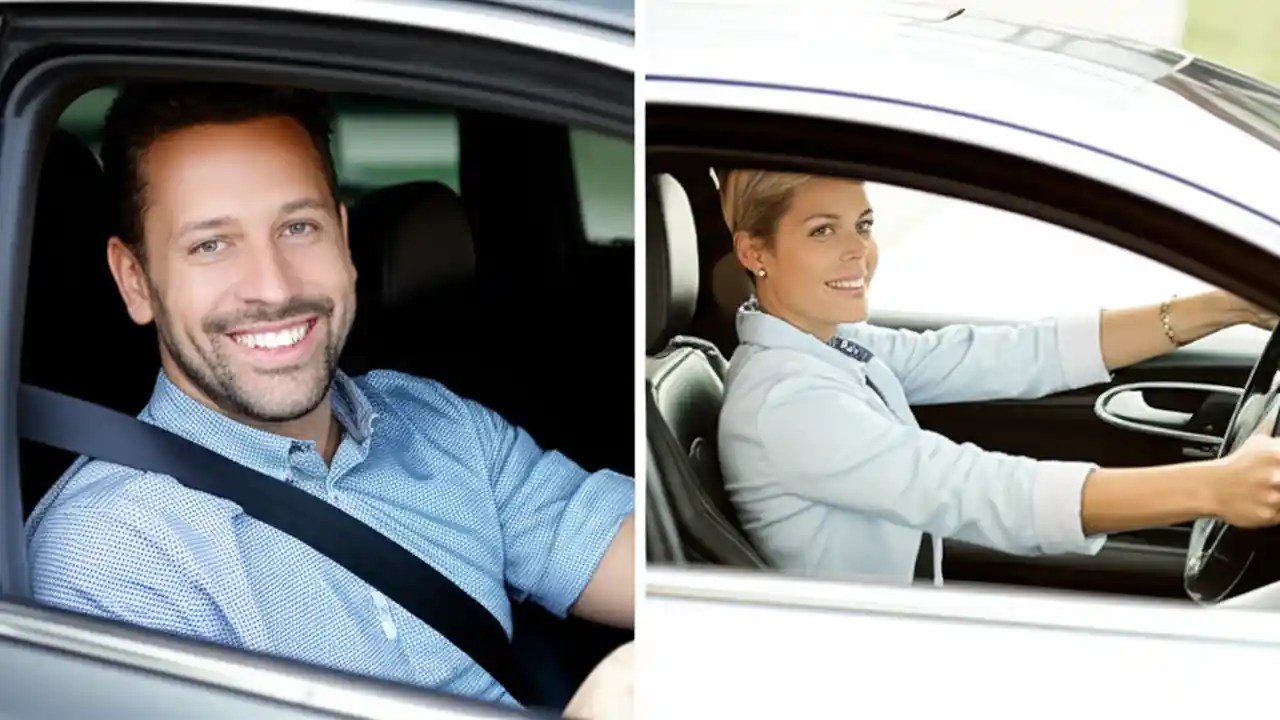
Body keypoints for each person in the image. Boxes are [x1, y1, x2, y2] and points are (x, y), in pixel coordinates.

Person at [24, 82, 635, 714]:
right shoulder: (112, 553)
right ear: (136, 281)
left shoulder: (434, 421)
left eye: (298, 227)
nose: (272, 286)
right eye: (211, 244)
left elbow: (634, 553)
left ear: (344, 239)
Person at [715, 168, 1280, 586]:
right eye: (822, 232)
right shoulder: (787, 402)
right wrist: (1214, 487)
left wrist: (1221, 308)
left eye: (862, 225)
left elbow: (1006, 354)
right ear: (754, 251)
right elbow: (979, 490)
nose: (858, 252)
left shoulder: (827, 345)